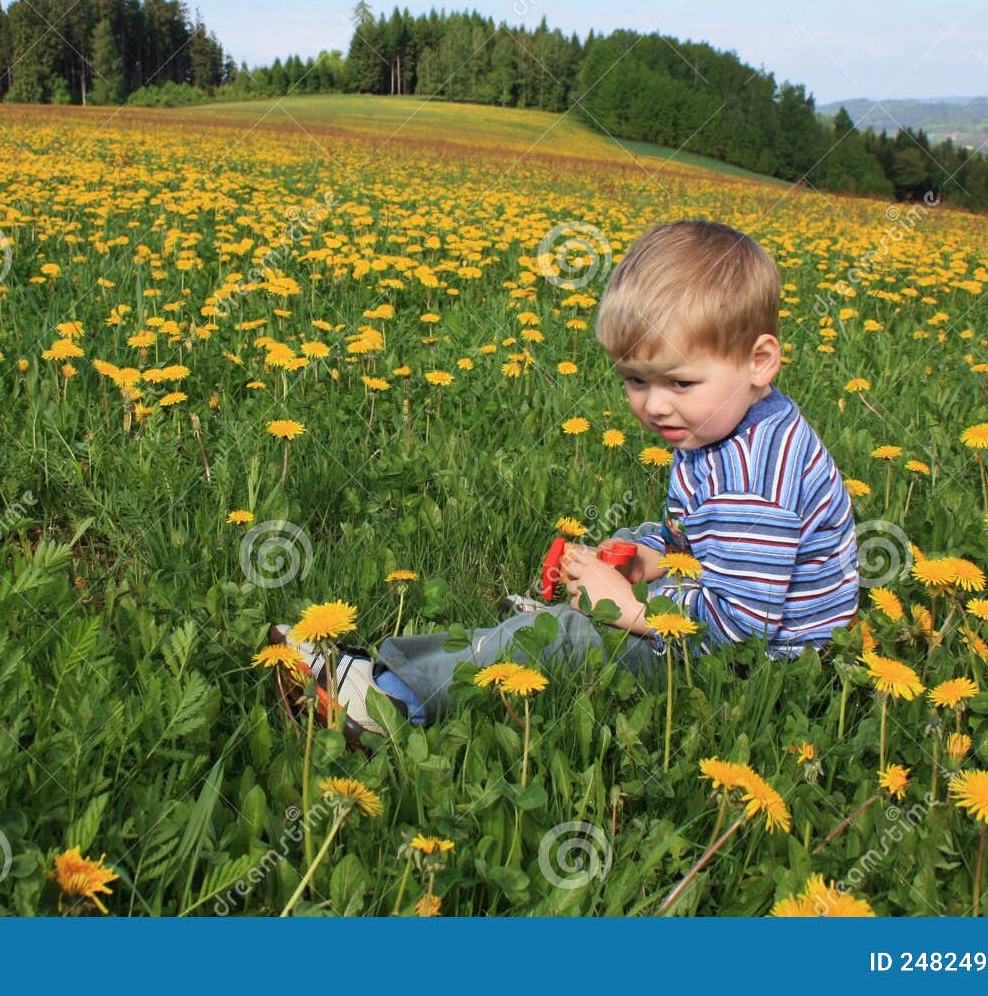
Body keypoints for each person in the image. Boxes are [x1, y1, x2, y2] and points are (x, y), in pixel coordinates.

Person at [267, 219, 861, 739]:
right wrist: (646, 557)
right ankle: (520, 636)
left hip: (752, 673)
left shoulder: (755, 477)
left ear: (759, 362)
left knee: (571, 640)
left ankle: (388, 702)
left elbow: (738, 630)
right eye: (635, 380)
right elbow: (696, 538)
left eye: (679, 383)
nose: (654, 407)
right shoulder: (719, 423)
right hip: (724, 622)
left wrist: (626, 609)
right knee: (594, 593)